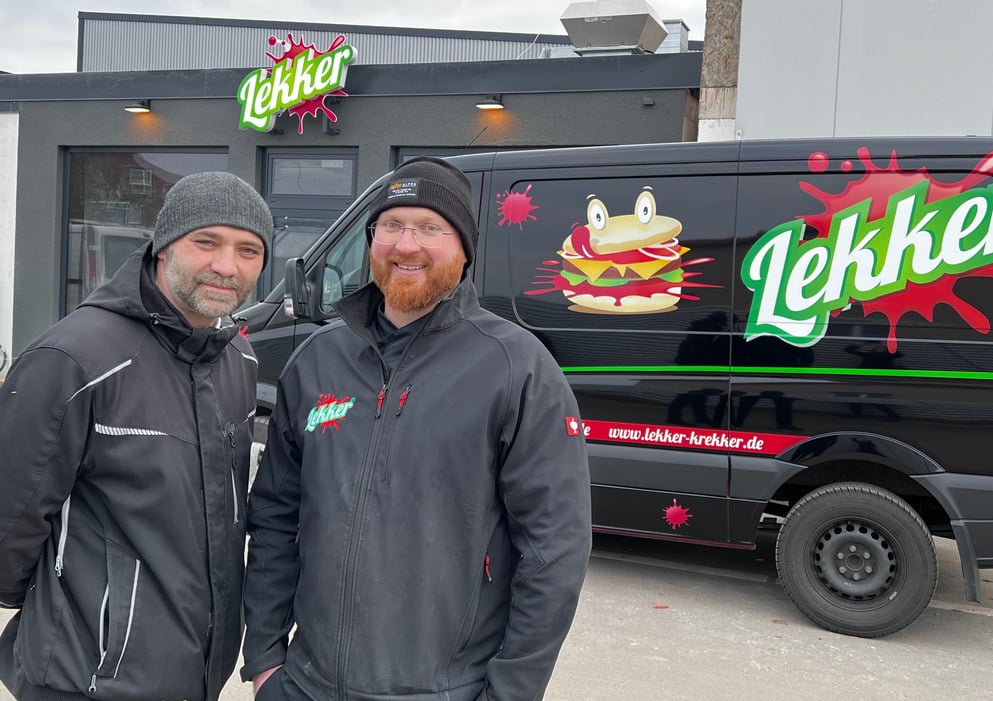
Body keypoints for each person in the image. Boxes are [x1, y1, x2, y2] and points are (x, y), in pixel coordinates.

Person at [241, 157, 592, 701]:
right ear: (371, 238)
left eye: (430, 228)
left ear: (464, 248)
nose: (407, 245)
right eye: (392, 226)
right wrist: (265, 658)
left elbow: (554, 551)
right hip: (304, 686)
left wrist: (510, 692)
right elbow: (274, 517)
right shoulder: (317, 361)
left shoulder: (515, 367)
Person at [0, 171, 273, 701]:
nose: (226, 266)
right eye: (206, 242)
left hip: (195, 670)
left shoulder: (237, 359)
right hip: (87, 680)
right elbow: (9, 522)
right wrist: (73, 618)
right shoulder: (74, 359)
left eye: (248, 250)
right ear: (163, 247)